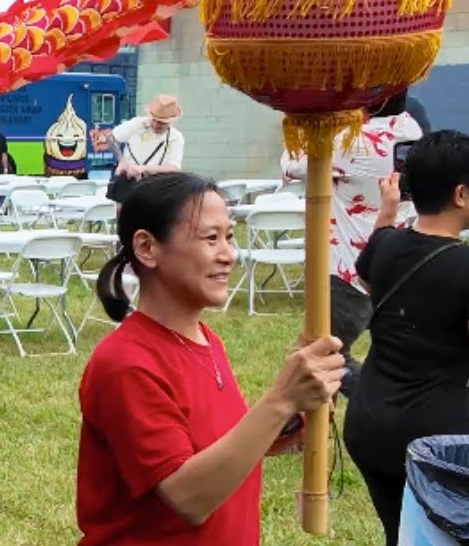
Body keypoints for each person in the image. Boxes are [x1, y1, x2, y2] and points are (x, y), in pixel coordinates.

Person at [76, 172, 344, 545]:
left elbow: (216, 448)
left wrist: (289, 420)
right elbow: (187, 496)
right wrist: (280, 398)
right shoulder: (125, 364)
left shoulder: (205, 340)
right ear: (147, 248)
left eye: (230, 237)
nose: (227, 255)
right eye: (210, 238)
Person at [343, 130, 469, 546]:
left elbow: (366, 272)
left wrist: (387, 212)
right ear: (462, 195)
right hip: (438, 443)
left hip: (369, 425)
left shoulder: (388, 242)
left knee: (401, 533)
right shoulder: (463, 265)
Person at [280, 91, 422, 396]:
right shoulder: (410, 130)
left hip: (349, 271)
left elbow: (292, 164)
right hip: (393, 265)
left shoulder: (355, 141)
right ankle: (298, 430)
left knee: (320, 359)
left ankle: (384, 404)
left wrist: (304, 118)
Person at [110, 94, 185, 190]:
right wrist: (121, 160)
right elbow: (111, 138)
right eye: (154, 119)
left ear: (171, 121)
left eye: (162, 122)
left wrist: (143, 168)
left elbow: (174, 168)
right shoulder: (137, 124)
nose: (156, 125)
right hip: (128, 182)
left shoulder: (175, 137)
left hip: (155, 186)